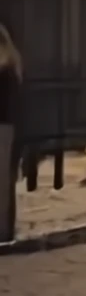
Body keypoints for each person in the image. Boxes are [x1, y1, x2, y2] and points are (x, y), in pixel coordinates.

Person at [0, 24, 22, 243]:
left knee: (4, 183)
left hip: (4, 130)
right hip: (7, 128)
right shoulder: (11, 70)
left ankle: (4, 231)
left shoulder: (6, 71)